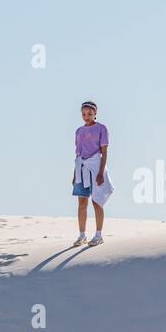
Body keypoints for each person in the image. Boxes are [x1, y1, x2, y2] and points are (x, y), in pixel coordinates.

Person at [72, 101, 113, 247]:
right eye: (84, 114)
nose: (86, 116)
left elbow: (104, 151)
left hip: (95, 166)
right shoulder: (79, 131)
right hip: (81, 169)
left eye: (90, 113)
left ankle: (98, 235)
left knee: (97, 202)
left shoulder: (101, 128)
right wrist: (74, 174)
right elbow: (77, 153)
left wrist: (101, 172)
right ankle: (82, 235)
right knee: (82, 203)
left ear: (95, 113)